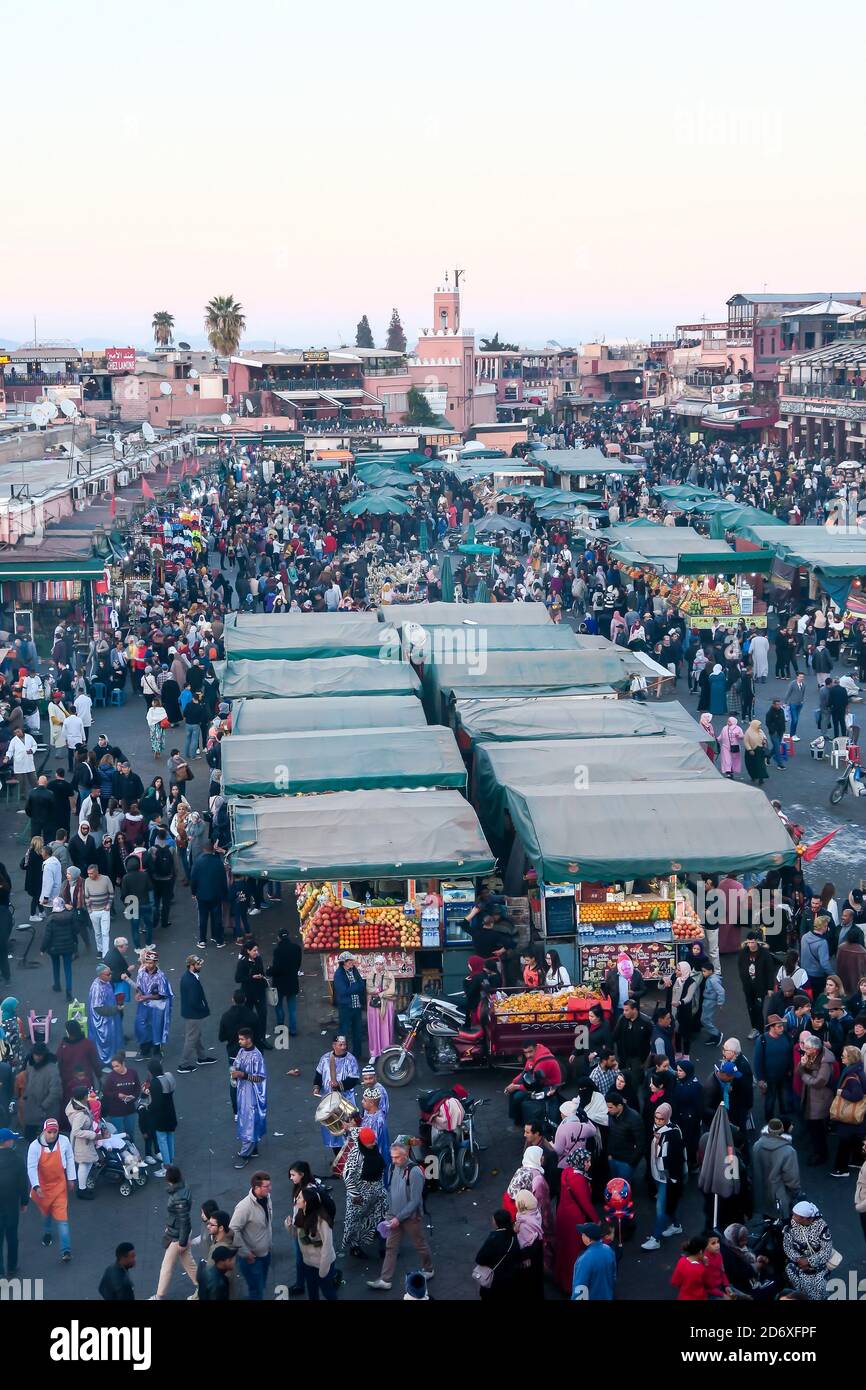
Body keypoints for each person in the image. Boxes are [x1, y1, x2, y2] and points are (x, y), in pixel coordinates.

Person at [367, 1138, 434, 1292]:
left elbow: (415, 1201)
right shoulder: (393, 1167)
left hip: (411, 1218)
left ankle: (429, 1269)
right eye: (392, 1157)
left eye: (397, 1157)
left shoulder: (415, 1171)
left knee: (419, 1245)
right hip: (395, 1216)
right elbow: (391, 1190)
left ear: (405, 1155)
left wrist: (398, 1217)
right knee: (391, 1247)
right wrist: (390, 1214)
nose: (394, 1160)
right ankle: (385, 1279)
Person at [27, 1117, 75, 1262]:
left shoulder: (64, 1141)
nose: (53, 1135)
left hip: (59, 1186)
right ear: (44, 1131)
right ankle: (47, 1232)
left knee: (62, 1219)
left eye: (55, 1132)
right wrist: (36, 1186)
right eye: (50, 1132)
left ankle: (66, 1251)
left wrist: (71, 1178)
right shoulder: (35, 1146)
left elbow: (70, 1158)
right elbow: (31, 1167)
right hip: (42, 1187)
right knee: (46, 1212)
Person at [641, 1103, 685, 1251]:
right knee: (666, 1205)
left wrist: (673, 1177)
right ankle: (676, 1225)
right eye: (656, 1118)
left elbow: (676, 1158)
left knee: (661, 1208)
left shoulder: (672, 1132)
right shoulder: (658, 1129)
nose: (658, 1121)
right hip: (657, 1174)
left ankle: (656, 1238)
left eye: (661, 1119)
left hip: (666, 1177)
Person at [152, 1164, 195, 1300]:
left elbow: (183, 1220)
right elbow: (181, 1217)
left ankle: (159, 1296)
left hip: (177, 1237)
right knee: (188, 1262)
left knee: (166, 1266)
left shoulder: (178, 1197)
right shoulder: (184, 1187)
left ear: (169, 1179)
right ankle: (203, 1284)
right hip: (180, 1232)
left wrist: (182, 1242)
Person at [229, 1170, 273, 1301]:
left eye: (270, 1185)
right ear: (256, 1188)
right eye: (266, 1186)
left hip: (266, 1254)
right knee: (256, 1291)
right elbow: (233, 1229)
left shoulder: (267, 1198)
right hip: (252, 1259)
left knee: (260, 1286)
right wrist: (245, 1252)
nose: (270, 1189)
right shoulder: (244, 1207)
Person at [314, 1035, 361, 1154]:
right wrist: (317, 1087)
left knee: (348, 1130)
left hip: (345, 1100)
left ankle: (349, 1157)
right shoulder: (325, 1058)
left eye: (345, 1044)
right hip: (329, 1100)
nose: (344, 1047)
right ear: (334, 1045)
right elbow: (319, 1074)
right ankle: (338, 1157)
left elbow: (354, 1079)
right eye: (341, 1045)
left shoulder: (351, 1060)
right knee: (333, 1131)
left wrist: (339, 1085)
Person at [782, 1201, 834, 1300]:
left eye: (795, 1216)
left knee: (819, 1290)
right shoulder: (790, 1227)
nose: (792, 1217)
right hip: (798, 1264)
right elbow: (787, 1247)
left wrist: (809, 1262)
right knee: (799, 1288)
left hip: (819, 1265)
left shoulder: (821, 1226)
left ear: (804, 1218)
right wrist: (799, 1260)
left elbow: (826, 1250)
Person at [294, 1185, 338, 1301]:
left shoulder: (322, 1221)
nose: (296, 1200)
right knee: (312, 1292)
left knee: (328, 1292)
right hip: (308, 1263)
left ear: (307, 1202)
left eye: (299, 1198)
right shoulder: (300, 1214)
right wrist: (288, 1226)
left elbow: (327, 1246)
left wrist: (323, 1270)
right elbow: (298, 1237)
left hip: (323, 1264)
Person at [232, 1027, 267, 1168]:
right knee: (247, 1119)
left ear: (249, 1039)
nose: (239, 1041)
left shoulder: (256, 1056)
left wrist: (243, 1075)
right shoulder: (241, 1051)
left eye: (241, 1039)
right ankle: (254, 1148)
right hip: (243, 1092)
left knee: (249, 1121)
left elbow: (260, 1077)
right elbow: (237, 1064)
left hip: (252, 1095)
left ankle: (245, 1153)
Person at [752, 1118, 801, 1219]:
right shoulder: (788, 1151)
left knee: (767, 1220)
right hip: (779, 1197)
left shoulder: (757, 1145)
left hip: (761, 1194)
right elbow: (792, 1179)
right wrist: (795, 1193)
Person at [177, 954, 217, 1074]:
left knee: (196, 1036)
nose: (200, 966)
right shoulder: (191, 981)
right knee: (191, 1039)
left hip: (191, 1013)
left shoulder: (188, 976)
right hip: (194, 1014)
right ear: (191, 965)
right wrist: (204, 1008)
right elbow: (193, 1001)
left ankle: (202, 1057)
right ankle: (183, 1064)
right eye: (198, 964)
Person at [830, 1044, 866, 1176]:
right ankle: (857, 1161)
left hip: (849, 1116)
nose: (841, 1058)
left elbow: (857, 1095)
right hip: (859, 1117)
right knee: (857, 1139)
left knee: (844, 1142)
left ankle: (841, 1169)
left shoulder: (851, 1075)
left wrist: (841, 1092)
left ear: (850, 1058)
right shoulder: (859, 1070)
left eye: (844, 1056)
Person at [753, 1013, 794, 1124]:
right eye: (779, 1026)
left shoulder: (786, 1036)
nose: (782, 1028)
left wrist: (791, 1069)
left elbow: (790, 1054)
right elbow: (757, 1061)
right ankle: (769, 1121)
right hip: (769, 1078)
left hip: (784, 1076)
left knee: (783, 1098)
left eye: (782, 1026)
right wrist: (761, 1079)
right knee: (770, 1100)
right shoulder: (762, 1040)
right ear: (771, 1027)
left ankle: (784, 1119)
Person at [0, 1127, 29, 1278]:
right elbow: (23, 1183)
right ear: (7, 1142)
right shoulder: (17, 1159)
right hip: (11, 1206)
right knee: (12, 1237)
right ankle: (12, 1267)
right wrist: (24, 1202)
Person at [134, 949, 173, 1058]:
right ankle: (145, 1048)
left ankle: (157, 1050)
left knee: (157, 1027)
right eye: (146, 962)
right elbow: (138, 987)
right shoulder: (141, 972)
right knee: (141, 1025)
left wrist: (146, 996)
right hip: (144, 1004)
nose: (148, 965)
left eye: (151, 963)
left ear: (156, 963)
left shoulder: (161, 976)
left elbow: (161, 994)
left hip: (157, 1005)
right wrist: (137, 993)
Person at [473, 1209, 518, 1301]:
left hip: (494, 1282)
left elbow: (480, 1259)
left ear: (497, 1223)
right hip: (509, 1280)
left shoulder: (493, 1239)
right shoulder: (513, 1237)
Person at [189, 842, 228, 948]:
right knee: (217, 917)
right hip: (216, 894)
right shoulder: (218, 862)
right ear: (213, 850)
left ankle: (202, 940)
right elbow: (223, 879)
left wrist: (193, 892)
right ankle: (218, 939)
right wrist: (224, 892)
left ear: (203, 849)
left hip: (202, 895)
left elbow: (193, 878)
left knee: (203, 917)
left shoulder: (198, 862)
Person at [738, 933, 776, 1039]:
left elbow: (769, 971)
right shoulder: (743, 953)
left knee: (758, 1008)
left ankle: (760, 1030)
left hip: (760, 987)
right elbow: (740, 966)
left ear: (756, 941)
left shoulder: (764, 953)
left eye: (753, 942)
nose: (751, 945)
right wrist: (744, 980)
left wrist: (770, 987)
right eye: (749, 942)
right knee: (751, 1008)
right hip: (748, 987)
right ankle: (754, 1028)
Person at [65, 1086, 99, 1201]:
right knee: (85, 1164)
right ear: (84, 1097)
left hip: (81, 1141)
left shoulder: (73, 1104)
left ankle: (82, 1187)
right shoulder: (80, 1114)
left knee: (85, 1163)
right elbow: (76, 1131)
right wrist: (93, 1135)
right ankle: (82, 1189)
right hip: (82, 1142)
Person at [87, 961, 123, 1066]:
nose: (111, 976)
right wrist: (115, 1009)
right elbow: (99, 1008)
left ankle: (111, 1059)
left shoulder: (106, 982)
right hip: (102, 1021)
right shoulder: (97, 988)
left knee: (111, 1039)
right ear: (100, 975)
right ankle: (105, 1063)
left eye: (110, 973)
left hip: (109, 1017)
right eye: (108, 974)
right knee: (105, 1042)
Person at [332, 951, 366, 1060]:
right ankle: (341, 1054)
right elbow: (343, 991)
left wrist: (354, 987)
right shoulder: (338, 974)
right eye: (350, 961)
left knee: (358, 1031)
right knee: (344, 1032)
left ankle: (357, 1054)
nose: (352, 962)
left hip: (356, 1006)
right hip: (346, 1007)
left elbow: (362, 984)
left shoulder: (354, 970)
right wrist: (355, 986)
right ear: (344, 962)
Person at [571, 1221, 617, 1301]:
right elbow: (613, 1275)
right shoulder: (609, 1250)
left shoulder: (584, 1259)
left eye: (583, 1234)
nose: (582, 1236)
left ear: (588, 1239)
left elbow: (580, 1287)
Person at [269, 928, 301, 1038]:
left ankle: (280, 1027)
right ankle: (293, 1029)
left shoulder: (277, 951)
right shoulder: (296, 948)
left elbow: (277, 968)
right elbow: (298, 964)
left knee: (279, 1006)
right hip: (292, 982)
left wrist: (269, 971)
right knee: (292, 1008)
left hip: (279, 983)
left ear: (278, 938)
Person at [102, 1054, 141, 1141]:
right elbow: (106, 1092)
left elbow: (138, 1088)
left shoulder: (133, 1073)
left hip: (130, 1110)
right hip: (116, 1112)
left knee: (130, 1133)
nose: (115, 1068)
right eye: (113, 1067)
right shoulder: (111, 1077)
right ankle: (122, 1153)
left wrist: (133, 1097)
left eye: (117, 1066)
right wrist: (117, 1095)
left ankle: (132, 1150)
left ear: (123, 1063)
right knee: (118, 1134)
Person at [367, 954, 396, 1059]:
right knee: (374, 1028)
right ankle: (374, 1053)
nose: (379, 966)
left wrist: (379, 993)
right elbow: (369, 989)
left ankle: (387, 1051)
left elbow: (392, 991)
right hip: (374, 1006)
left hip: (386, 1005)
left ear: (384, 964)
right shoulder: (370, 975)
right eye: (377, 964)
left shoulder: (390, 975)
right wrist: (382, 991)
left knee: (386, 1027)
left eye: (381, 964)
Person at [84, 862, 114, 959]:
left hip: (105, 910)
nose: (90, 875)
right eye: (88, 874)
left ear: (97, 872)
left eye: (91, 873)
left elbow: (111, 893)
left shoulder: (106, 879)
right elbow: (86, 896)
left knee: (105, 932)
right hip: (93, 911)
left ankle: (106, 953)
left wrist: (109, 905)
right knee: (97, 932)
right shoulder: (87, 881)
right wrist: (89, 910)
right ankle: (100, 950)